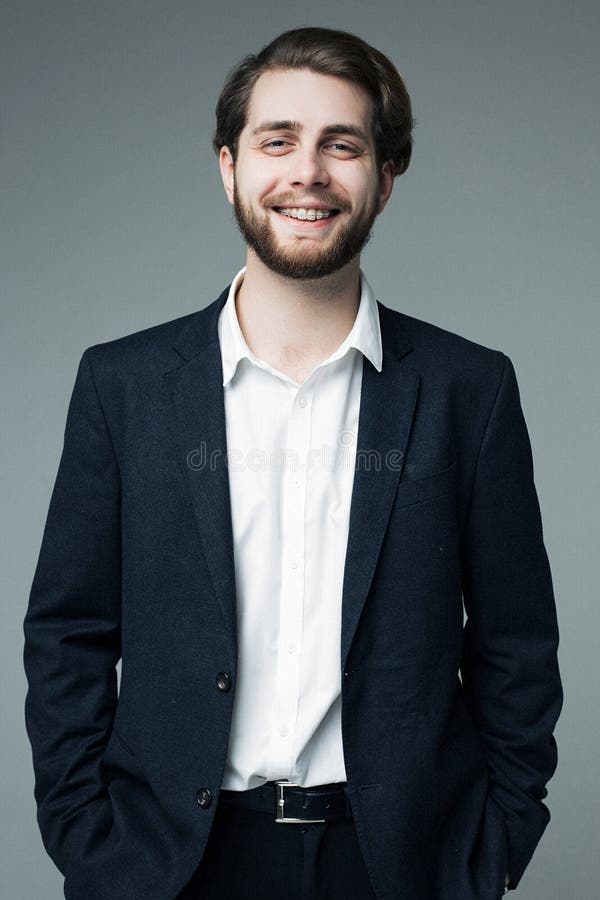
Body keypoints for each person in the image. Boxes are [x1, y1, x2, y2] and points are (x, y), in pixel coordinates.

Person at [23, 26, 562, 900]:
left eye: (340, 145)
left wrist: (496, 843)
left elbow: (517, 645)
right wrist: (90, 838)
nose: (307, 172)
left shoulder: (471, 390)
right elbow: (68, 633)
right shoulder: (123, 386)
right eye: (278, 141)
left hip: (398, 865)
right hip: (169, 864)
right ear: (230, 166)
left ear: (385, 179)